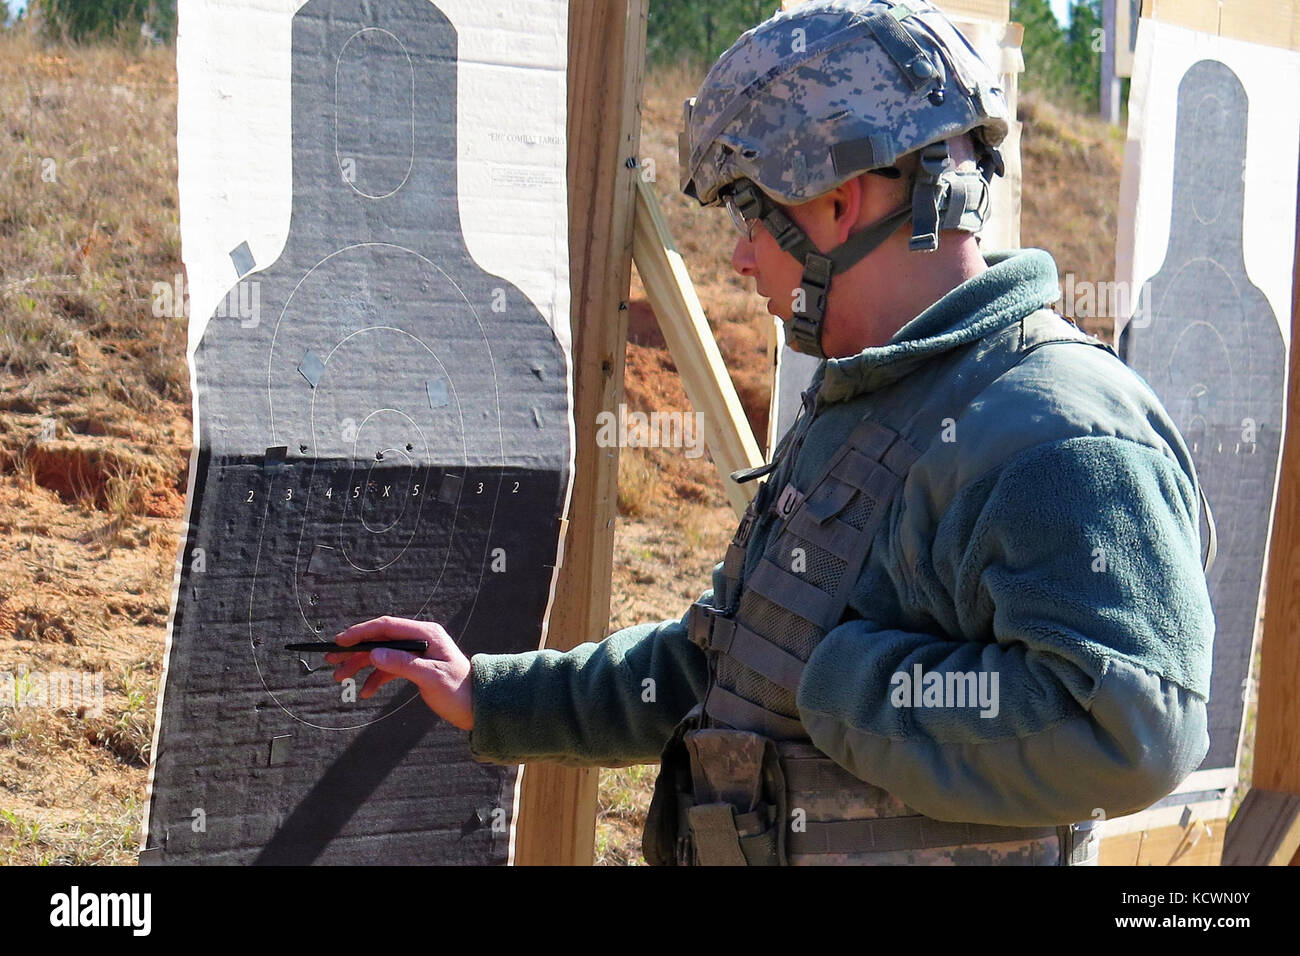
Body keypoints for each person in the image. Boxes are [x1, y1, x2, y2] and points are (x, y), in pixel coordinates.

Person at [327, 0, 1215, 865]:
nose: (744, 256)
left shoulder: (1057, 435)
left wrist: (851, 687)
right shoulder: (873, 402)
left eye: (753, 217)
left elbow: (1129, 728)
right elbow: (730, 663)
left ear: (838, 202)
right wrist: (490, 695)